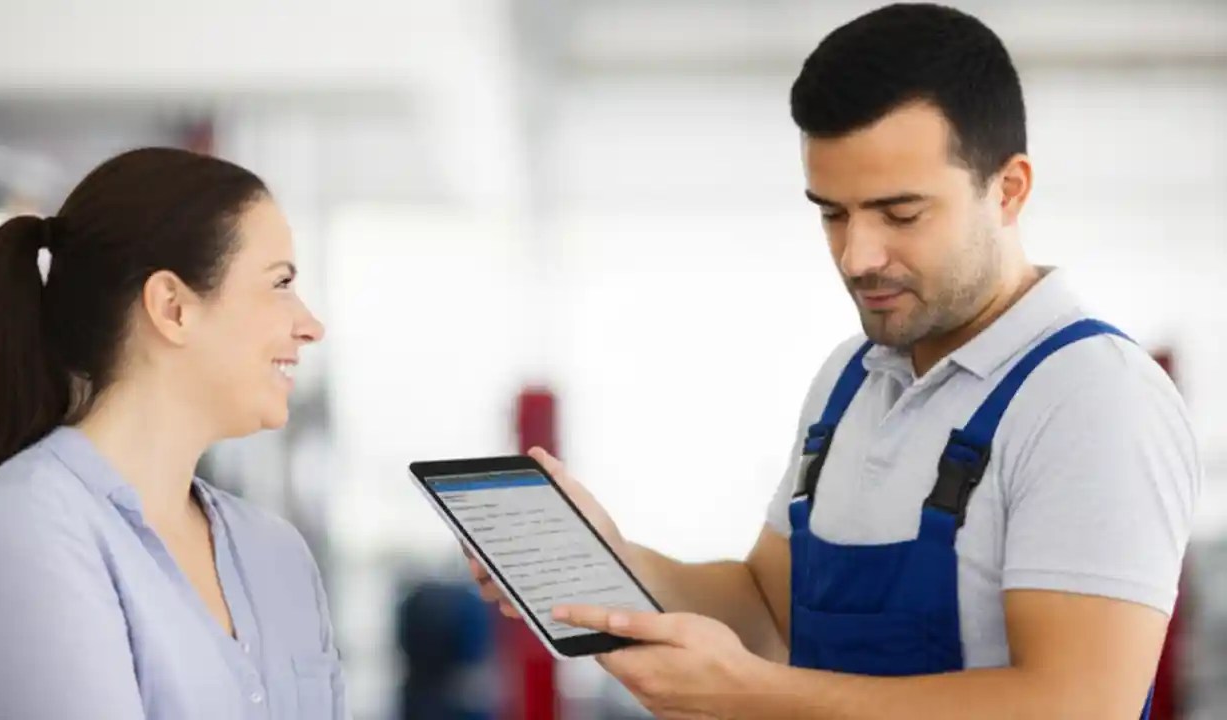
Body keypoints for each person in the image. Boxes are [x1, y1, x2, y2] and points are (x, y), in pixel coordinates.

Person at [467, 4, 1200, 718]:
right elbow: (767, 613)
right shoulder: (854, 379)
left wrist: (751, 699)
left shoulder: (1092, 397)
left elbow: (1073, 707)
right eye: (832, 213)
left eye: (900, 214)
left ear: (1008, 190)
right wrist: (615, 560)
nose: (859, 257)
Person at [0, 147, 346, 719]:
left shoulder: (277, 553)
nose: (310, 325)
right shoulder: (31, 524)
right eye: (280, 282)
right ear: (173, 308)